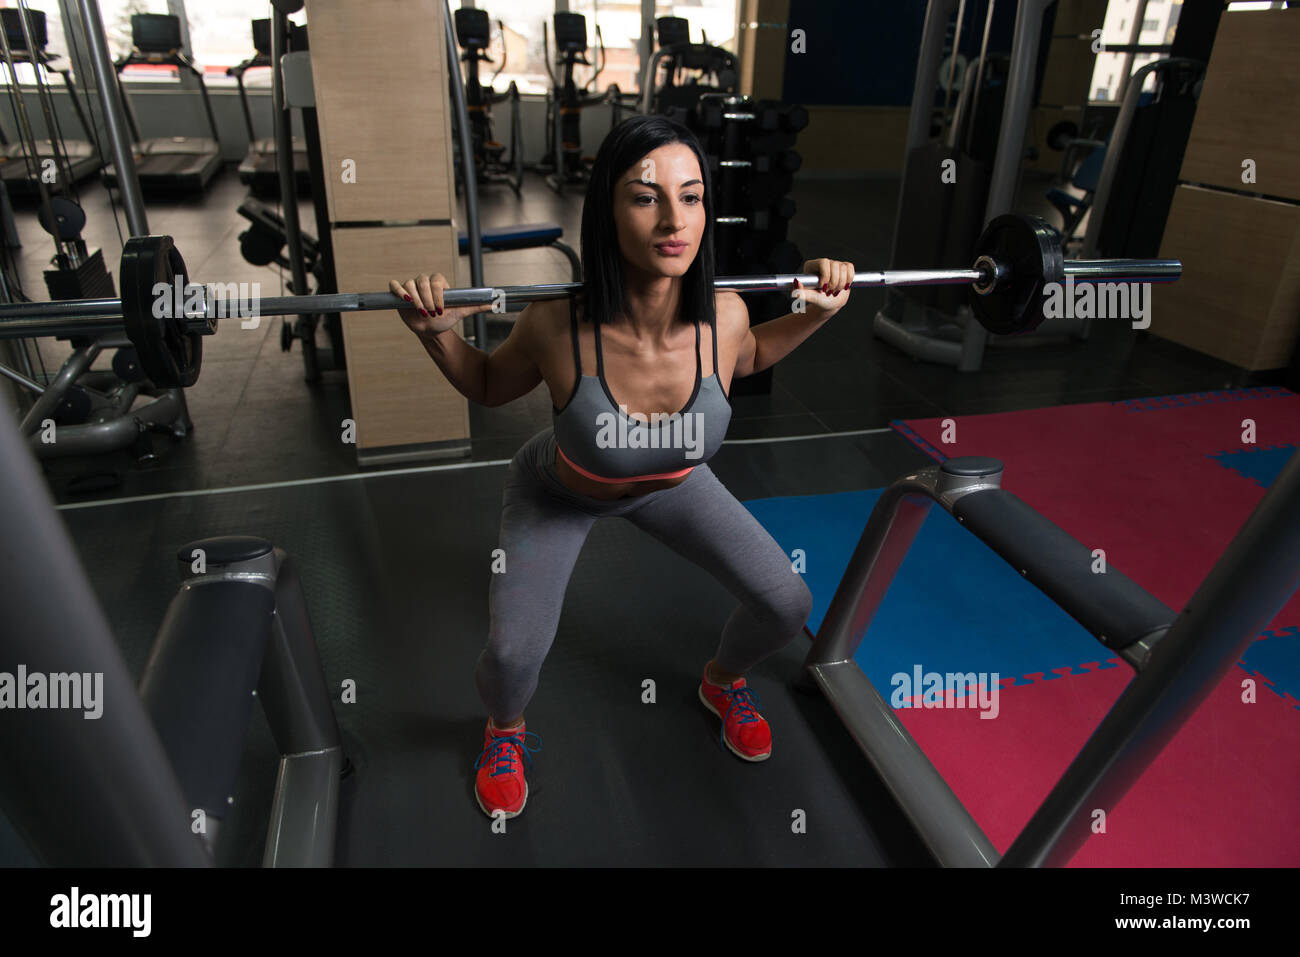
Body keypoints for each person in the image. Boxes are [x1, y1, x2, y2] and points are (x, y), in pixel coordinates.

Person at [389, 114, 854, 820]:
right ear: (606, 211)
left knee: (787, 603)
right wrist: (437, 336)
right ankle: (505, 730)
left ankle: (722, 679)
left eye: (692, 196)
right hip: (561, 490)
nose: (675, 218)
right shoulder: (554, 322)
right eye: (645, 196)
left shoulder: (726, 317)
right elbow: (487, 386)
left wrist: (816, 316)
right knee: (513, 659)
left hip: (673, 486)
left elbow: (750, 356)